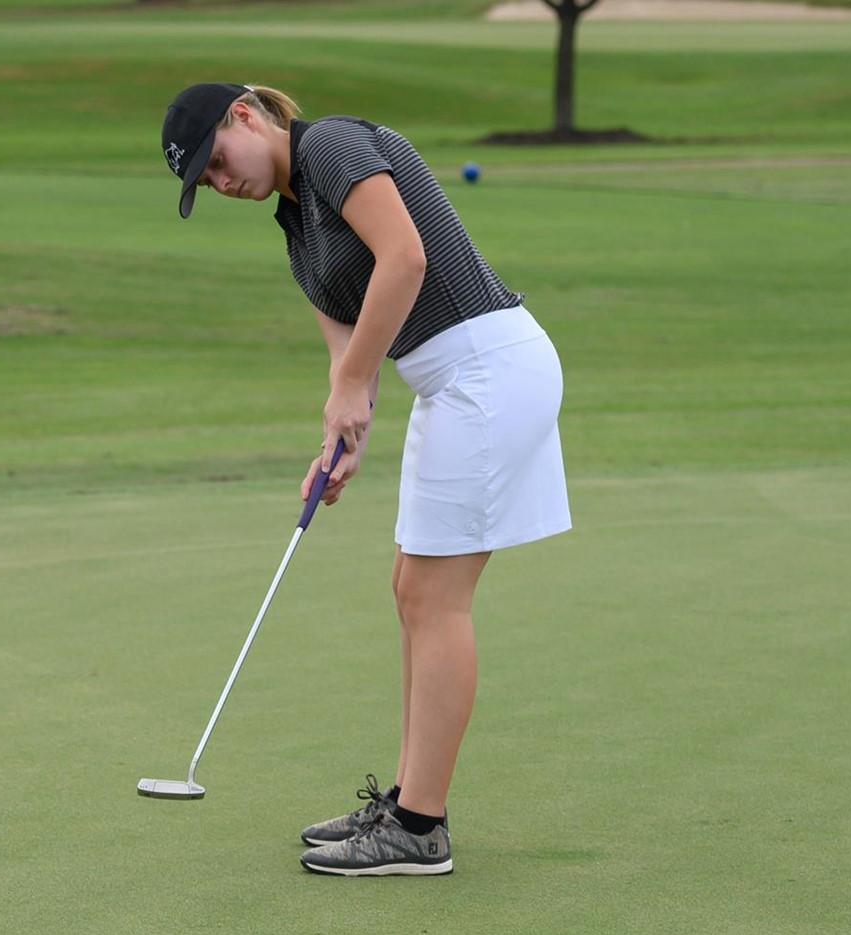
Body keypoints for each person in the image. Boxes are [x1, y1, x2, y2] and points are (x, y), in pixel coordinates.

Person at [160, 83, 572, 877]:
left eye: (217, 161)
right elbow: (351, 347)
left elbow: (406, 258)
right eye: (205, 184)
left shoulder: (332, 145)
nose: (221, 182)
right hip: (448, 381)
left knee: (434, 596)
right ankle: (411, 802)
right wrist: (342, 428)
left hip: (487, 368)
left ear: (246, 116)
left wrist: (354, 384)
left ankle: (420, 827)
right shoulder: (294, 227)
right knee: (408, 588)